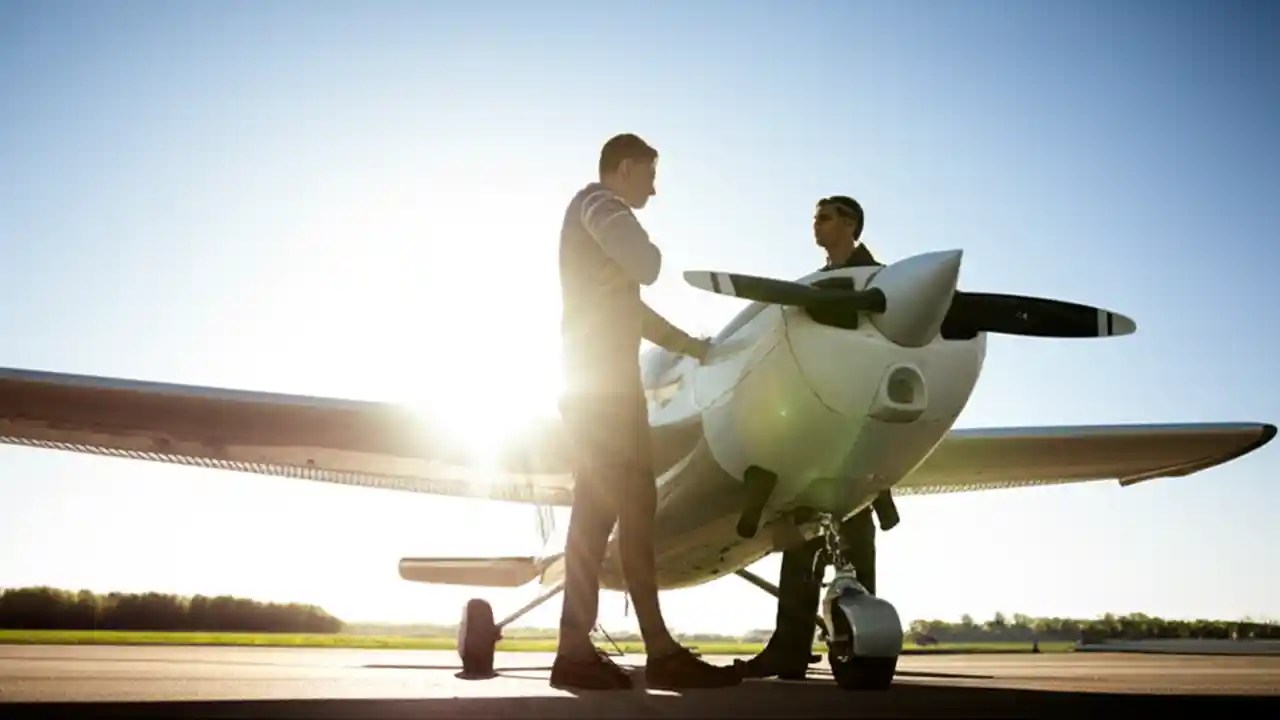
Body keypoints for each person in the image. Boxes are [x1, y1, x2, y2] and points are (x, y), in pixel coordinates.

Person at [551, 133, 743, 691]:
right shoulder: (598, 204)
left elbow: (635, 311)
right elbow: (649, 264)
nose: (655, 189)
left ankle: (589, 649)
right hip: (604, 393)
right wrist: (639, 258)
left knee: (608, 511)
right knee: (628, 507)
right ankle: (641, 650)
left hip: (599, 390)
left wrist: (694, 347)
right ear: (626, 167)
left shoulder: (594, 228)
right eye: (651, 174)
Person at [735, 195, 901, 681]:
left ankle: (859, 650)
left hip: (855, 437)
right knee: (800, 540)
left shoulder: (883, 283)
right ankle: (788, 650)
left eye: (824, 216)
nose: (816, 223)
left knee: (857, 538)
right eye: (816, 217)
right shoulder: (816, 282)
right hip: (813, 437)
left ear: (850, 224)